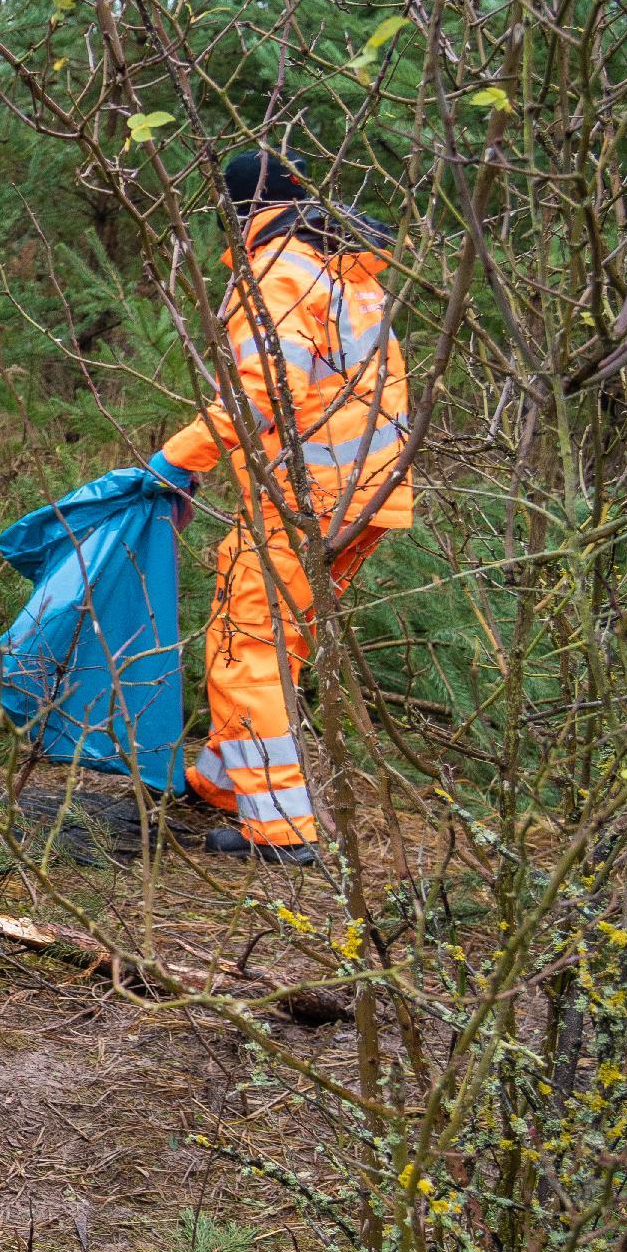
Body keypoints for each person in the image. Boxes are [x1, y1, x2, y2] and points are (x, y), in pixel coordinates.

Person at [144, 149, 414, 865]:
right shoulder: (340, 271)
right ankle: (227, 779)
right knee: (265, 640)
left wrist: (178, 458)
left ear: (240, 214)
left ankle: (281, 830)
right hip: (367, 497)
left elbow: (261, 393)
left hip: (307, 502)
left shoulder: (279, 272)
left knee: (250, 650)